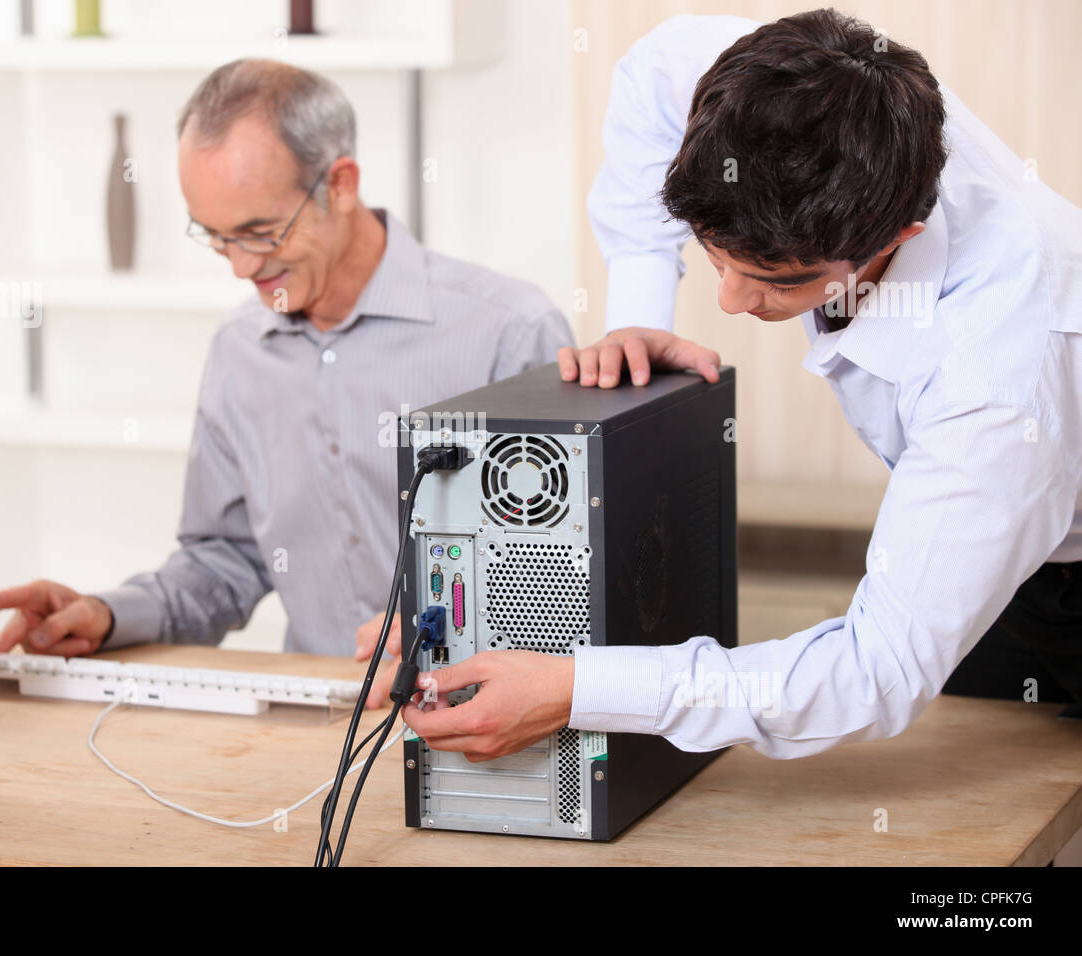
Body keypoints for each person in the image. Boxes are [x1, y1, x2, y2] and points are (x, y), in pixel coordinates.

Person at [400, 8, 1082, 761]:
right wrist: (636, 310)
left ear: (894, 239)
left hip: (1069, 572)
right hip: (1001, 550)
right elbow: (651, 73)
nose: (727, 301)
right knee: (974, 750)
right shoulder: (769, 98)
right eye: (715, 256)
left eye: (774, 281)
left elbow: (873, 673)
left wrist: (579, 690)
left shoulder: (995, 372)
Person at [0, 60, 574, 695]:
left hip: (486, 734)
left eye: (260, 232)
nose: (241, 268)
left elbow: (564, 585)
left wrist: (450, 639)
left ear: (340, 183)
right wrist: (107, 615)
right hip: (314, 728)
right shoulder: (237, 352)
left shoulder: (509, 331)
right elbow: (222, 563)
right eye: (218, 238)